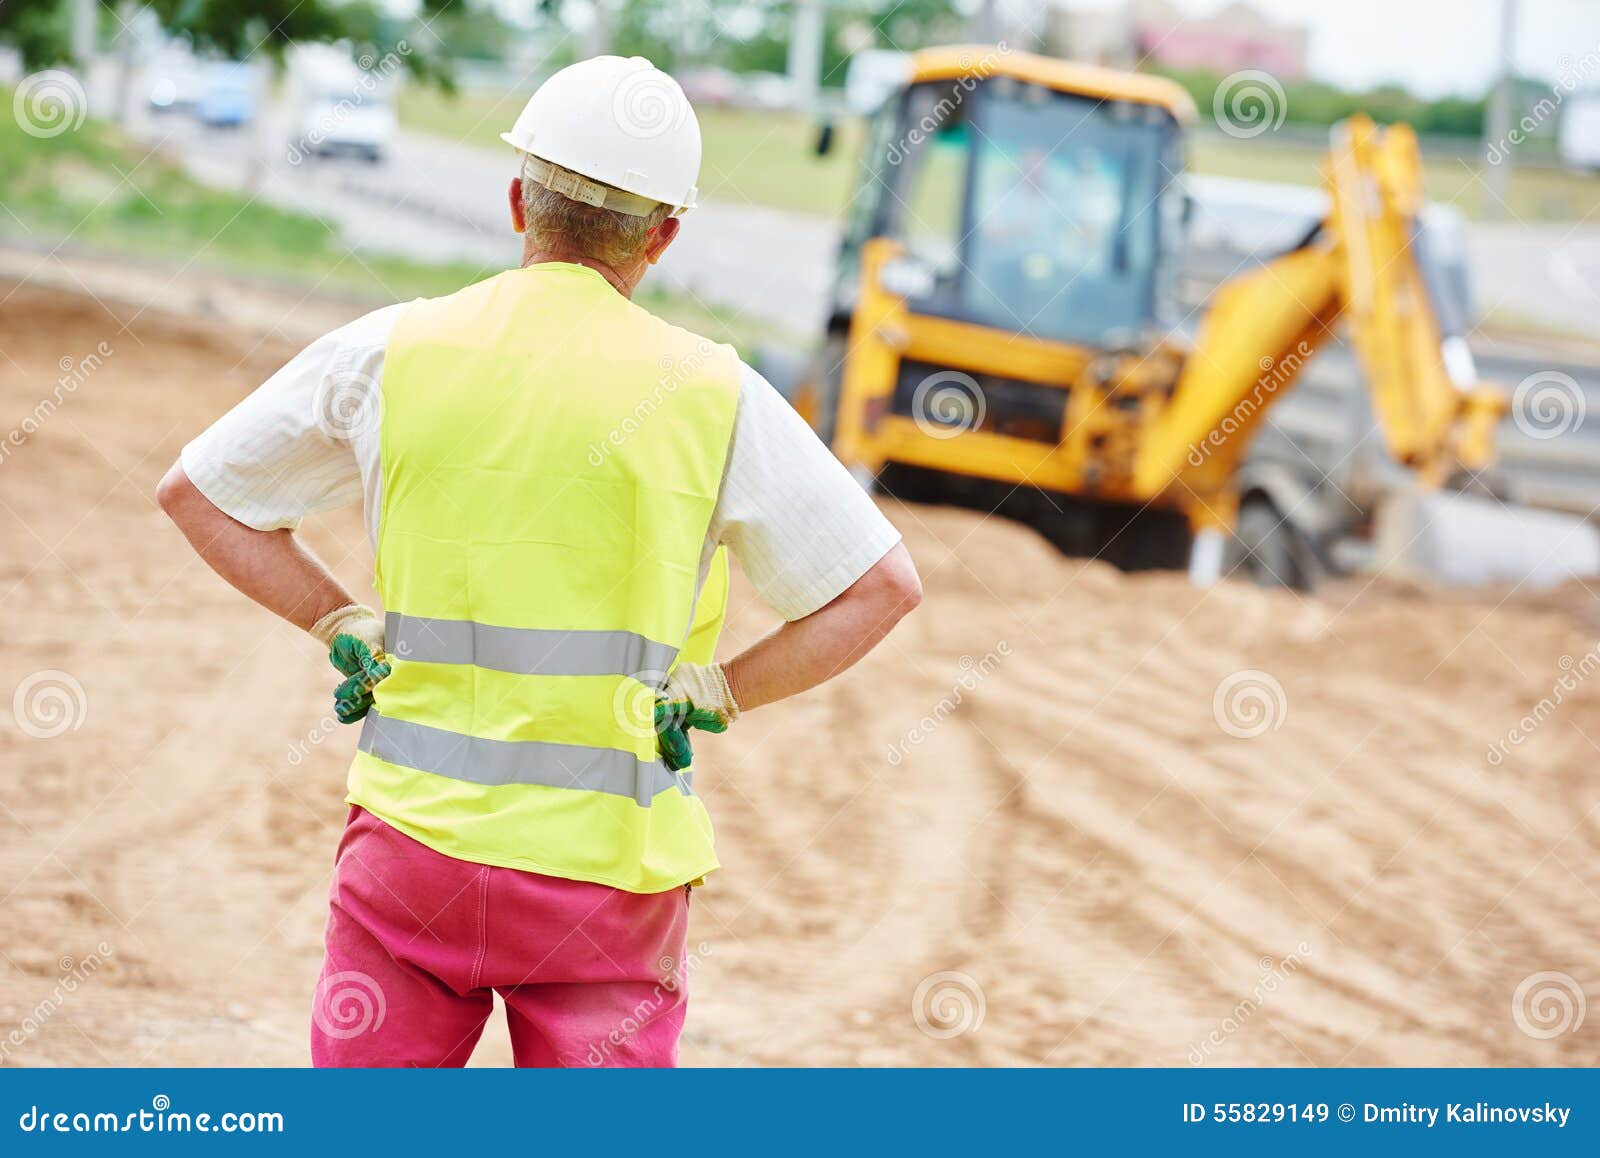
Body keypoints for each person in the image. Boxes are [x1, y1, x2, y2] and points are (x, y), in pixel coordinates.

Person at [156, 55, 921, 1067]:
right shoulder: (711, 394)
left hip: (409, 861)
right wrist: (723, 690)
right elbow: (881, 586)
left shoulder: (393, 351)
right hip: (607, 884)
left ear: (519, 200)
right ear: (663, 237)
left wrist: (336, 619)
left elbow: (197, 492)